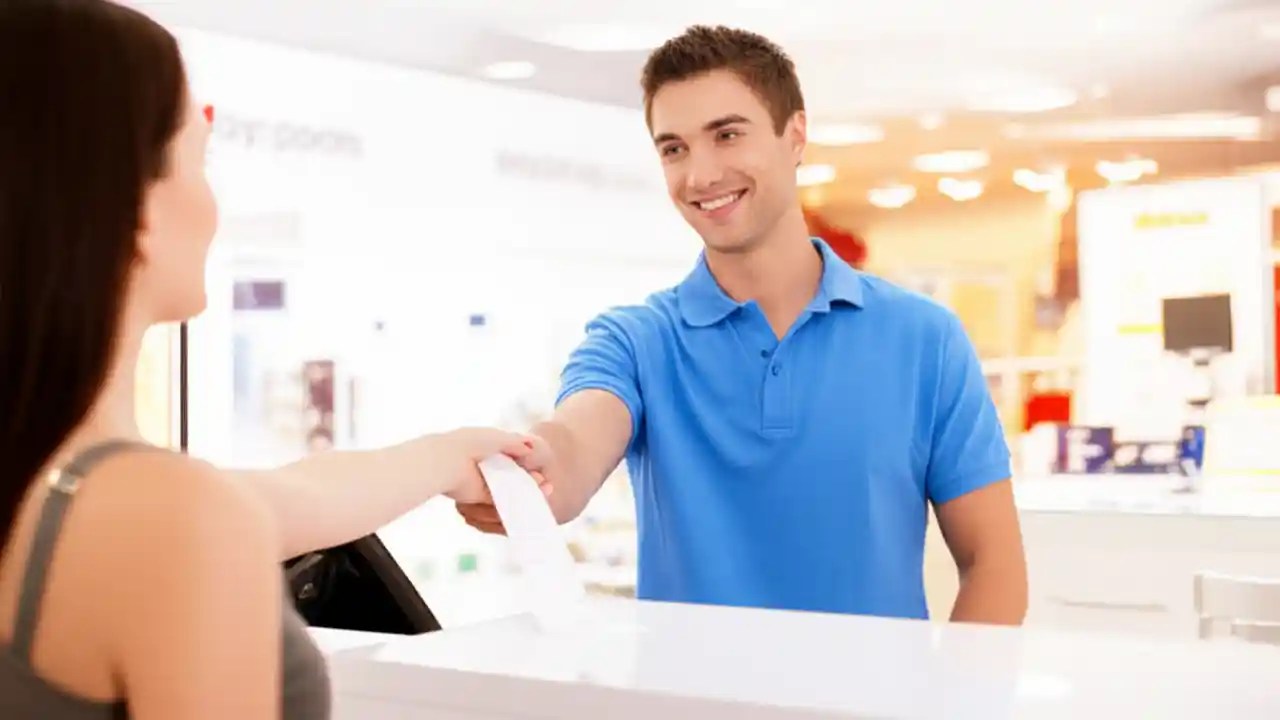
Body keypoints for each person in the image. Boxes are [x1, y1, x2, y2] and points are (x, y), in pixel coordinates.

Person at [0, 2, 547, 719]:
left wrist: (450, 458)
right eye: (199, 160)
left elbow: (298, 496)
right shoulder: (167, 518)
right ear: (137, 207)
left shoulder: (76, 492)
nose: (213, 202)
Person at [459, 25, 1028, 625]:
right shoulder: (635, 340)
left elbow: (992, 560)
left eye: (727, 135)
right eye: (673, 148)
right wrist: (531, 474)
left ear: (795, 136)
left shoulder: (925, 339)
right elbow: (572, 448)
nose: (699, 175)